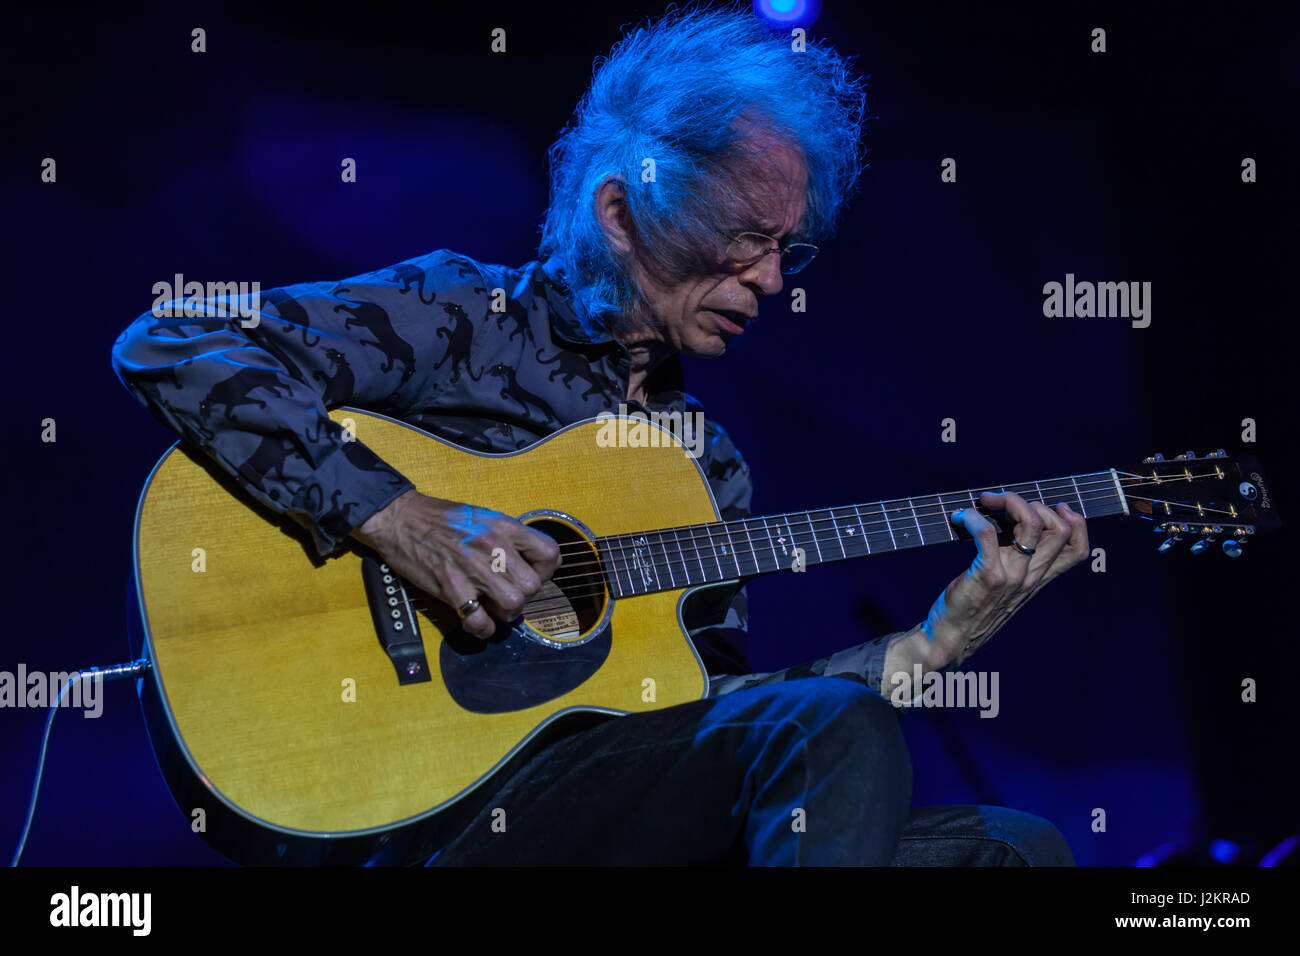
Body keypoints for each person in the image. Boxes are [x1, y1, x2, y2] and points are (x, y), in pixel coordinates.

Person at [112, 8, 1087, 865]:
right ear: (621, 210)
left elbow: (726, 721)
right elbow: (171, 340)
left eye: (787, 249)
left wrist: (934, 641)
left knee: (1014, 847)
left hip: (612, 808)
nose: (771, 280)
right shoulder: (468, 313)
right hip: (427, 803)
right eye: (747, 238)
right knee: (829, 724)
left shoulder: (701, 462)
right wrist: (403, 518)